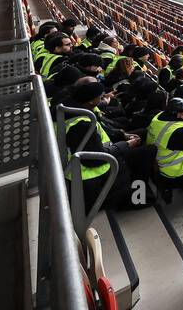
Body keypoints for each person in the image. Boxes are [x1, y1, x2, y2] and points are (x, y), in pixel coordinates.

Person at [62, 78, 156, 213]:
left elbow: (102, 133)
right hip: (97, 177)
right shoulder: (81, 125)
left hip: (105, 158)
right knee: (147, 152)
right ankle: (138, 197)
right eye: (99, 97)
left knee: (143, 138)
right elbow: (94, 159)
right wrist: (125, 144)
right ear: (90, 100)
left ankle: (140, 187)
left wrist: (122, 135)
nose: (102, 100)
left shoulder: (79, 111)